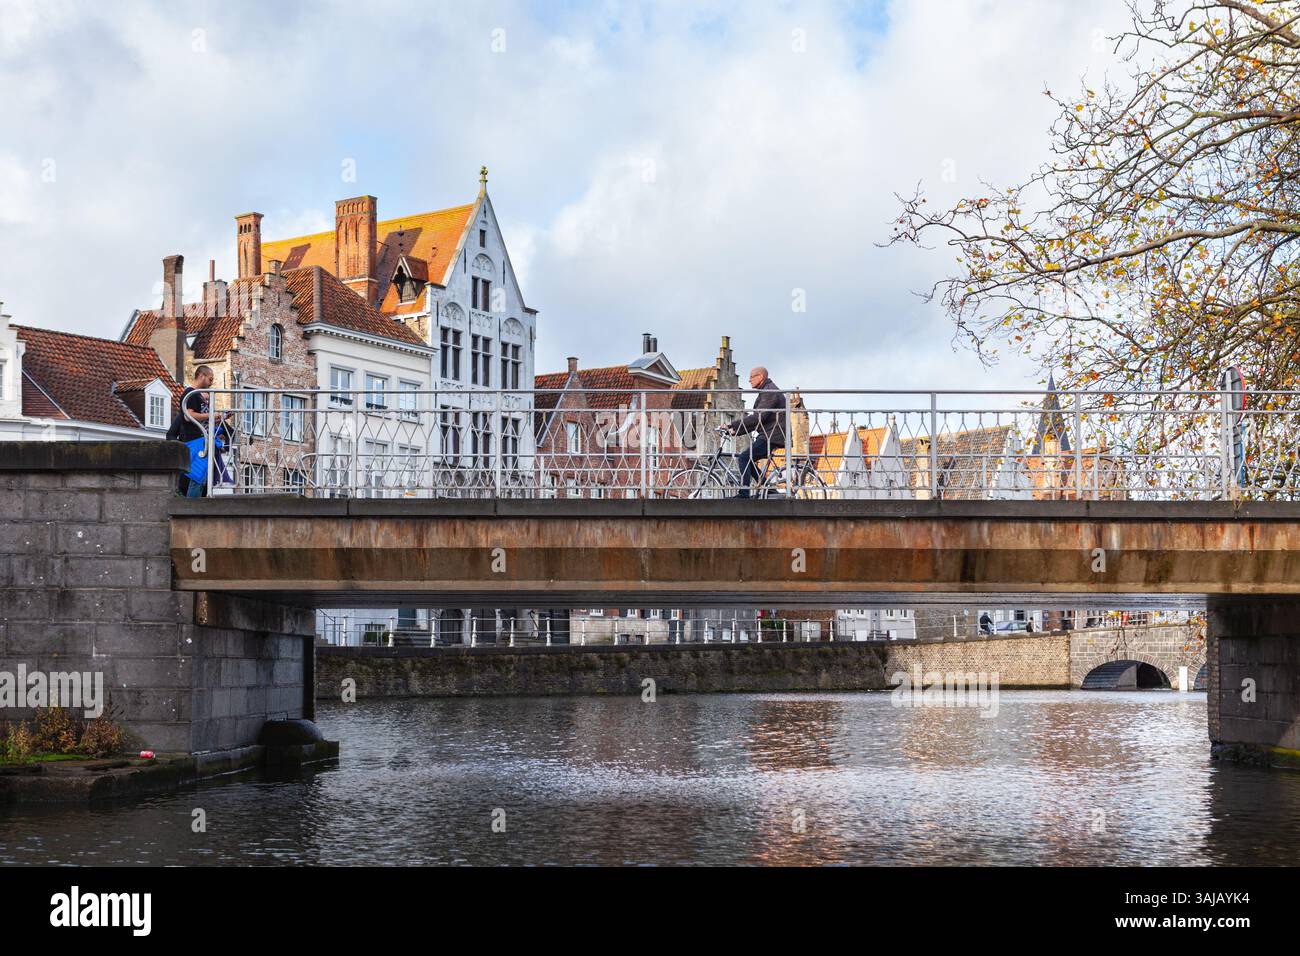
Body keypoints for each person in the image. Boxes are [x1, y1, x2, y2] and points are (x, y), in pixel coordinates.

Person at [721, 366, 787, 498]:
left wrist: (732, 424)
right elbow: (759, 420)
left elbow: (757, 418)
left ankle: (744, 493)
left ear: (760, 377)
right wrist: (735, 430)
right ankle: (769, 489)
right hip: (770, 434)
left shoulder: (769, 392)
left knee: (744, 457)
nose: (749, 380)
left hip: (772, 436)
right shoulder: (767, 391)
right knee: (749, 459)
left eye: (751, 377)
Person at [166, 365, 230, 497]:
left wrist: (220, 417)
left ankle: (194, 503)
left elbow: (201, 419)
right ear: (202, 376)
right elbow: (188, 416)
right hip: (195, 441)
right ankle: (191, 506)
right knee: (197, 477)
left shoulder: (197, 395)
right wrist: (211, 415)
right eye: (210, 379)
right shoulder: (191, 393)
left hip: (202, 440)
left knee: (201, 477)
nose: (211, 383)